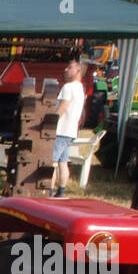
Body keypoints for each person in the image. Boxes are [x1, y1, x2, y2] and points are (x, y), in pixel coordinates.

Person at [51, 60, 84, 199]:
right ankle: (61, 192)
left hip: (61, 130)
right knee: (63, 162)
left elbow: (63, 107)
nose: (65, 69)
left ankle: (50, 191)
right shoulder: (80, 88)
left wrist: (51, 122)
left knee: (51, 162)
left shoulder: (68, 87)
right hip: (70, 131)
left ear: (78, 71)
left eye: (69, 67)